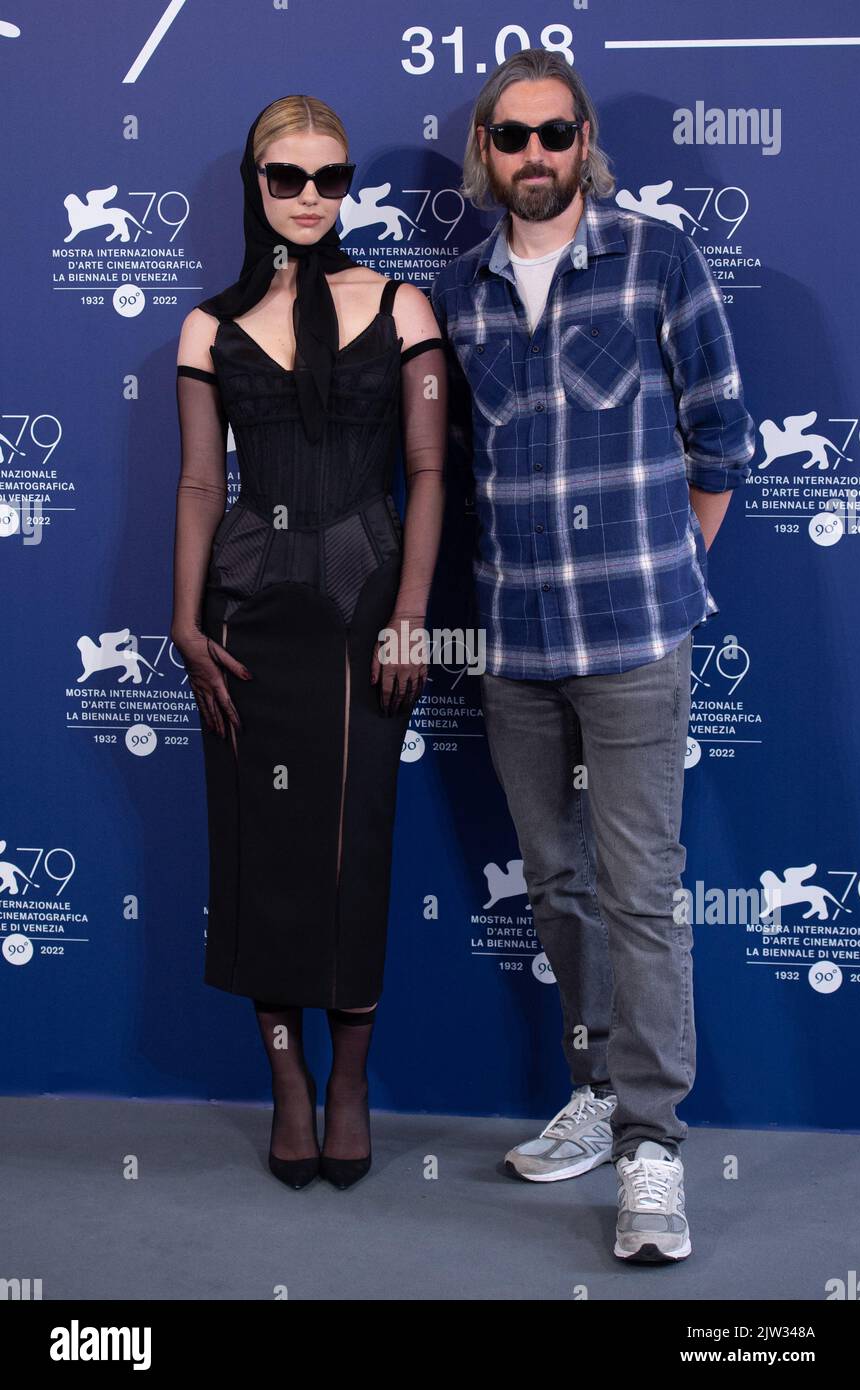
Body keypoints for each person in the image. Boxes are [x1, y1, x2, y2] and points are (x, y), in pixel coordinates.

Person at [431, 50, 755, 1261]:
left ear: (582, 143)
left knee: (641, 892)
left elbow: (720, 435)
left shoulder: (657, 255)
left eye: (553, 135)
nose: (532, 158)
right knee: (557, 887)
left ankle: (654, 1153)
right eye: (509, 138)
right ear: (483, 147)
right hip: (512, 642)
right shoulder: (460, 292)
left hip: (633, 638)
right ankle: (599, 1090)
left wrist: (667, 573)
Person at [171, 95, 447, 1192]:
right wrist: (184, 618)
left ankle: (349, 1081)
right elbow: (200, 481)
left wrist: (413, 613)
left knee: (355, 844)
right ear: (256, 182)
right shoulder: (208, 324)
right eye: (286, 178)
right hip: (250, 610)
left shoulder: (402, 305)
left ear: (346, 189)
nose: (308, 198)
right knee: (260, 846)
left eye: (329, 179)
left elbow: (426, 471)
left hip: (371, 609)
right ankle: (287, 1078)